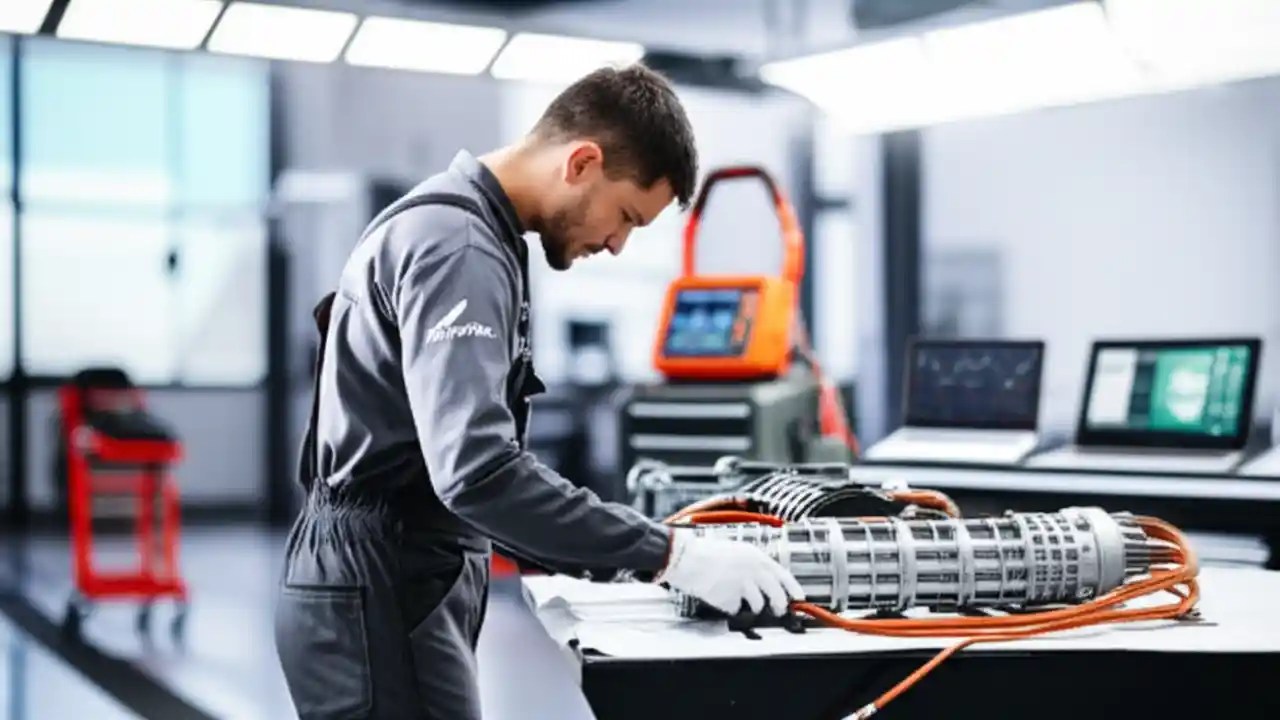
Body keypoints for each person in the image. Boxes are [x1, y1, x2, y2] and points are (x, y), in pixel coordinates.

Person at [273, 63, 804, 720]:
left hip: (398, 575)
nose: (616, 244)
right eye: (627, 217)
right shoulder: (460, 246)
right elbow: (478, 473)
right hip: (383, 583)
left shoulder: (470, 232)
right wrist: (668, 555)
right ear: (582, 162)